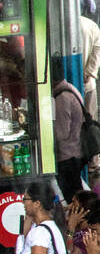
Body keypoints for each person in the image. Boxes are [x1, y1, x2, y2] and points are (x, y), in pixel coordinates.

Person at [51, 55, 86, 200]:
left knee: (73, 198)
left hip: (67, 157)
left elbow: (61, 133)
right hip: (74, 153)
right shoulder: (70, 88)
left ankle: (80, 221)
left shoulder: (62, 98)